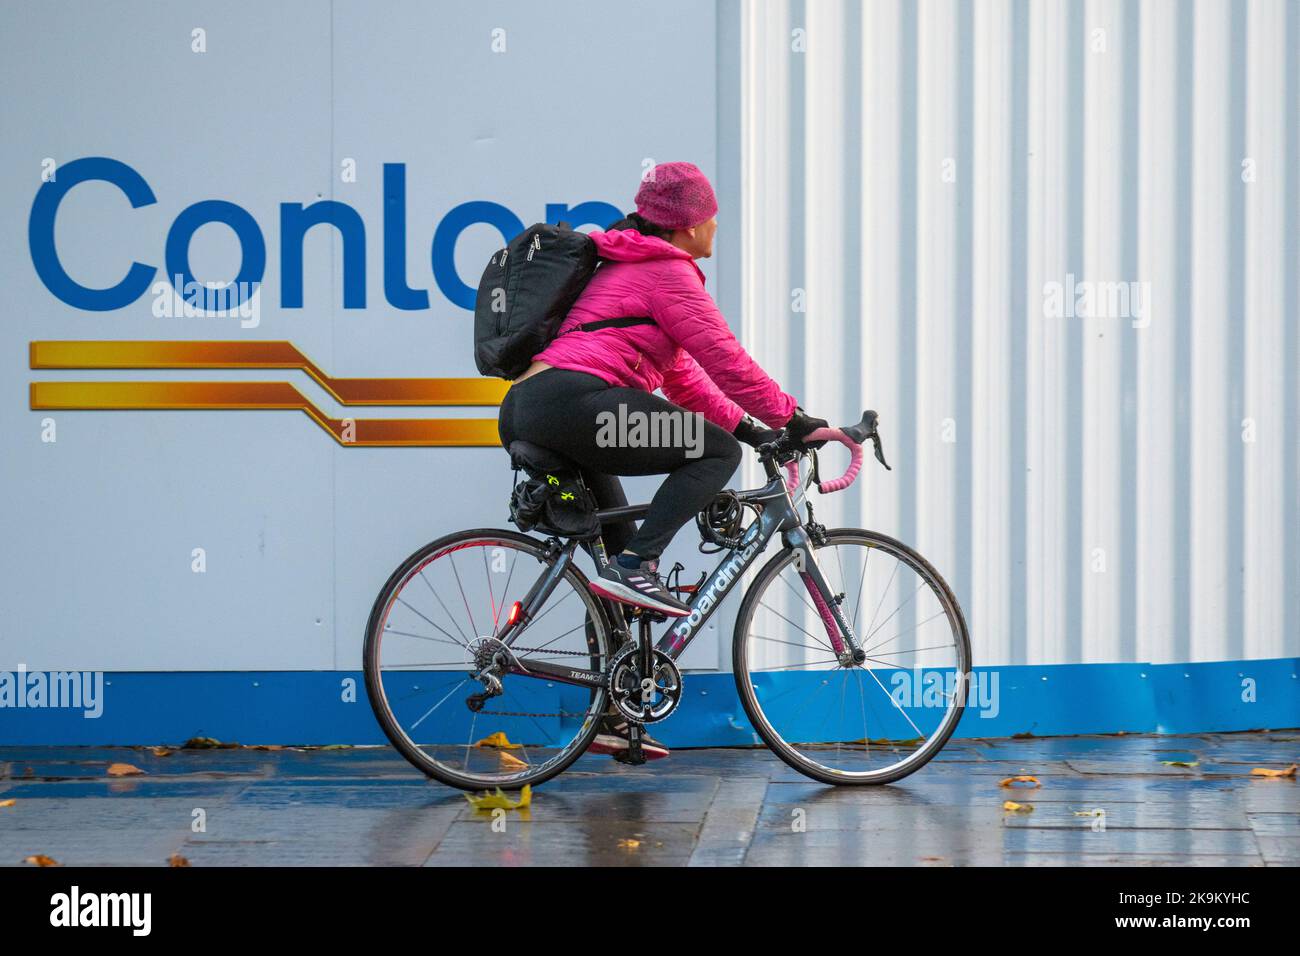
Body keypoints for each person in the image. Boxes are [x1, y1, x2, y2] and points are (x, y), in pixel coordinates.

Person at [498, 161, 828, 616]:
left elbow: (683, 379)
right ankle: (637, 564)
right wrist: (792, 419)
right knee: (716, 453)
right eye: (711, 215)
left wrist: (751, 431)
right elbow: (726, 361)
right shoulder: (666, 273)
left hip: (530, 408)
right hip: (579, 405)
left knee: (619, 573)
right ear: (690, 225)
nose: (716, 223)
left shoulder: (628, 268)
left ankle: (619, 663)